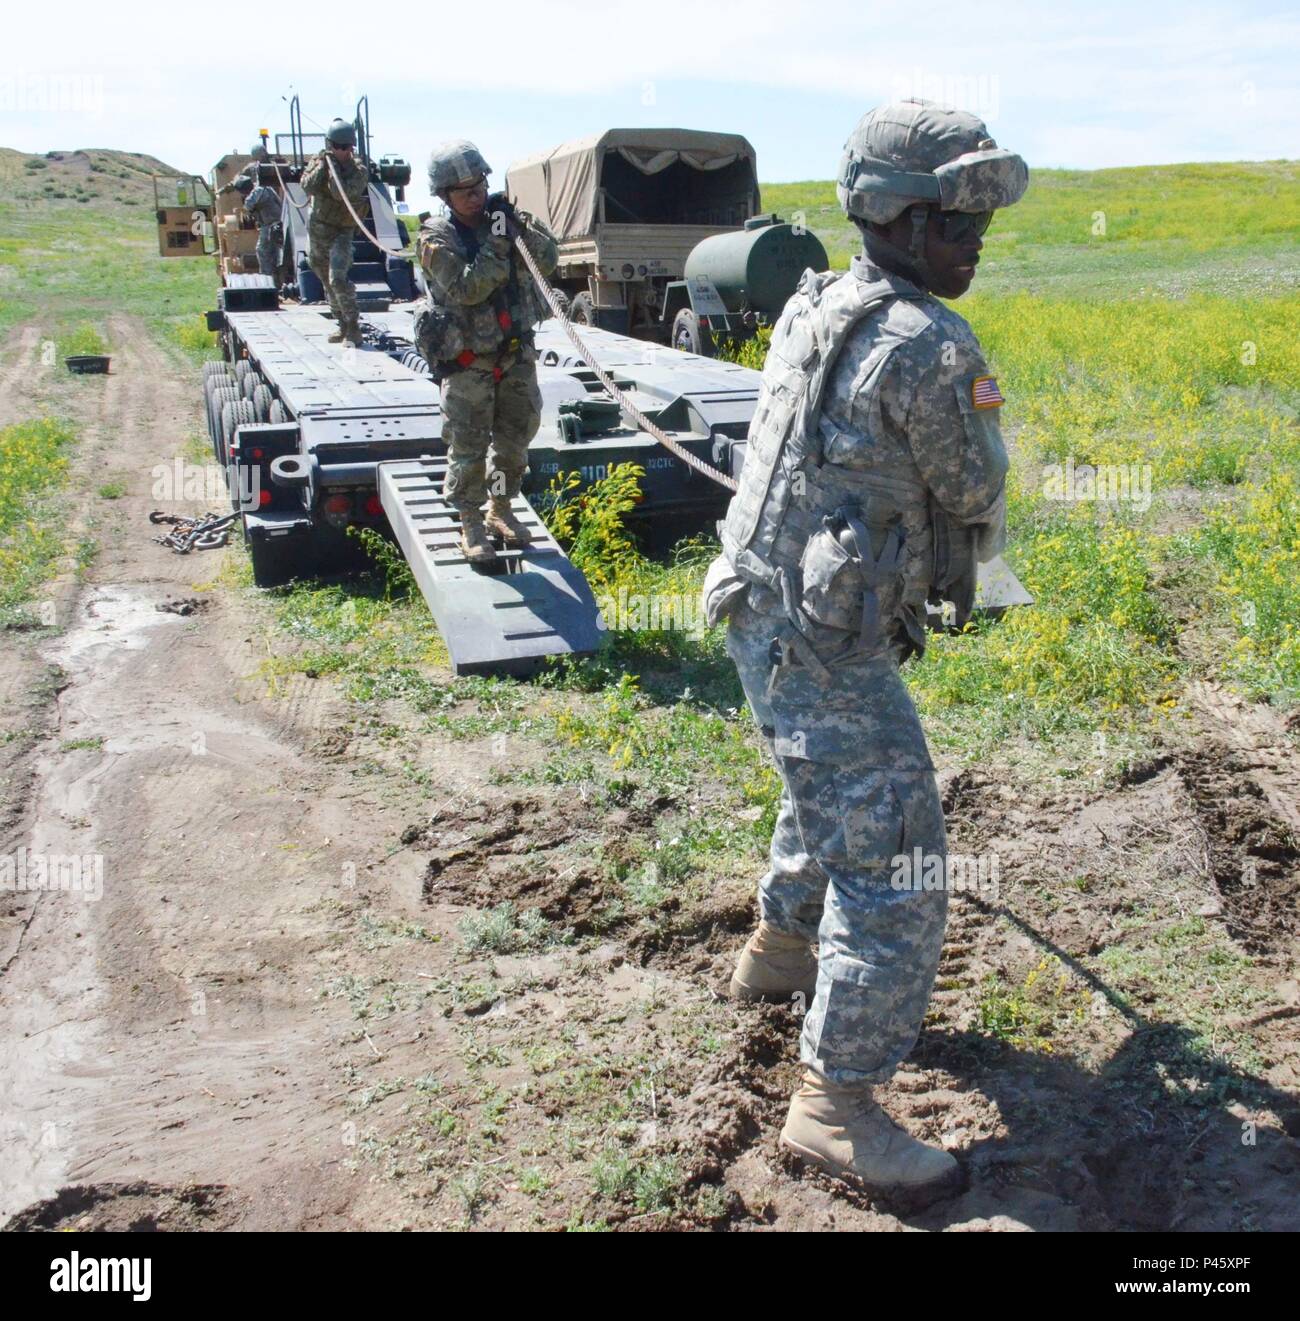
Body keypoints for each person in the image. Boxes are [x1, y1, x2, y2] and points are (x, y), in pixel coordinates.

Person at [703, 98, 1028, 1206]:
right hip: (823, 631)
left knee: (826, 787)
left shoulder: (817, 299)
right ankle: (834, 1104)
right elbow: (975, 488)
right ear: (894, 211)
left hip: (762, 611)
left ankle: (777, 953)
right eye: (957, 213)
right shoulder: (928, 342)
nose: (975, 232)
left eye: (980, 211)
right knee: (895, 857)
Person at [416, 140, 558, 564]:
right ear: (445, 196)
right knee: (468, 448)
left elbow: (548, 261)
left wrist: (519, 227)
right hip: (468, 365)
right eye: (463, 191)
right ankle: (471, 524)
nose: (474, 195)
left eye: (478, 185)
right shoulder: (436, 238)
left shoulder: (505, 219)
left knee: (514, 444)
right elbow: (467, 288)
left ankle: (501, 509)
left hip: (515, 357)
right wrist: (498, 245)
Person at [300, 119, 370, 347]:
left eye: (346, 147)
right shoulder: (319, 162)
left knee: (337, 278)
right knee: (325, 280)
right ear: (329, 144)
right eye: (336, 146)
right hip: (319, 229)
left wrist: (335, 170)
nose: (341, 151)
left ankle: (353, 327)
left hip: (342, 231)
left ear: (352, 147)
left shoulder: (358, 170)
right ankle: (340, 324)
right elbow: (307, 186)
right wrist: (323, 166)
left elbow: (341, 193)